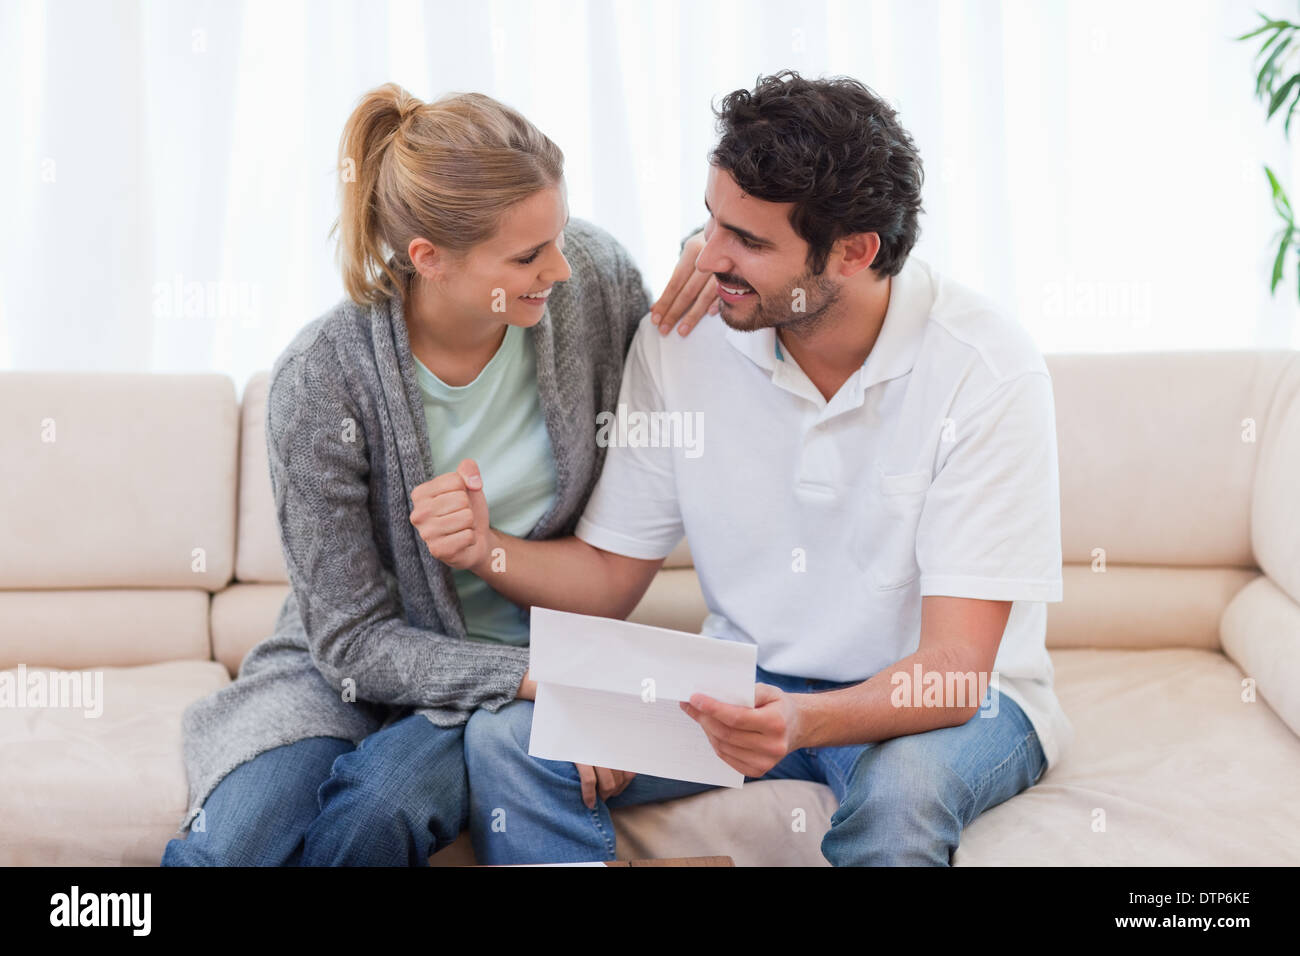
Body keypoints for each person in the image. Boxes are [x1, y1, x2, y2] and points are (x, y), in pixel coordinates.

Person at [423, 70, 1075, 866]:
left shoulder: (984, 368)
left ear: (854, 252)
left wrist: (801, 723)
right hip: (747, 679)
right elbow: (606, 574)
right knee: (511, 740)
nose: (708, 256)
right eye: (710, 221)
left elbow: (952, 673)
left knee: (902, 796)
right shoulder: (687, 337)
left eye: (750, 241)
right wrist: (484, 547)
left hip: (941, 704)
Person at [162, 81, 711, 866]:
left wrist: (708, 241)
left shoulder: (589, 281)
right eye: (527, 255)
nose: (558, 267)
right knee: (229, 851)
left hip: (496, 699)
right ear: (429, 259)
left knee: (371, 818)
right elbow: (352, 642)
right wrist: (537, 677)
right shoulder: (323, 379)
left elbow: (692, 339)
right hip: (356, 670)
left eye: (557, 235)